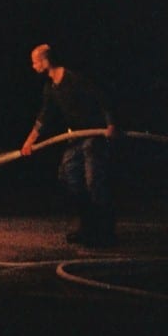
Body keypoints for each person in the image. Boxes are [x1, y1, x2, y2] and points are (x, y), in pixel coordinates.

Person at [21, 43, 116, 246]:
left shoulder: (74, 79)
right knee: (68, 176)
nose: (33, 66)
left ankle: (105, 233)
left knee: (94, 182)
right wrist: (28, 143)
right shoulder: (50, 88)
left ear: (45, 61)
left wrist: (110, 125)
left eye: (35, 62)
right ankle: (88, 227)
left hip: (93, 135)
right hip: (75, 137)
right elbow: (43, 118)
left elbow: (101, 98)